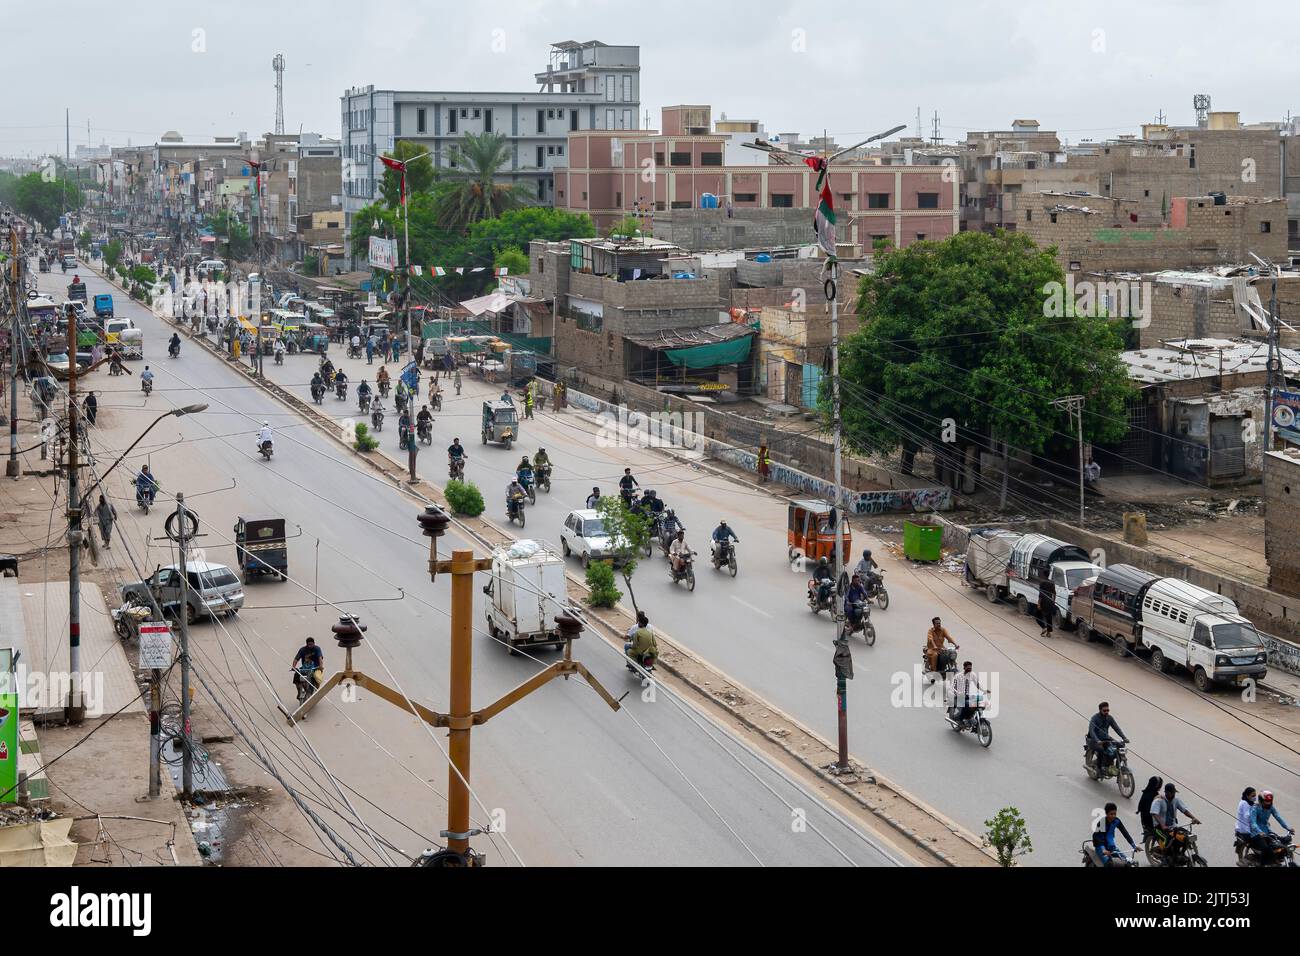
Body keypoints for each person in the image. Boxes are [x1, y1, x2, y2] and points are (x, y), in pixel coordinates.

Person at [1087, 701, 1128, 779]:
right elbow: (1091, 731)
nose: (1106, 712)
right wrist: (1097, 740)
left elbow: (1116, 728)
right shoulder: (1094, 718)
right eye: (1104, 710)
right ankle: (1099, 768)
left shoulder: (1109, 718)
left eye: (1108, 710)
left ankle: (1115, 767)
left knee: (1120, 746)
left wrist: (1124, 737)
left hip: (1106, 739)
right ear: (1100, 710)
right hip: (1094, 740)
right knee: (1101, 750)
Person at [1251, 790, 1294, 860]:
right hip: (1256, 833)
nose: (1268, 803)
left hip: (1267, 831)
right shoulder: (1255, 808)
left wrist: (1288, 827)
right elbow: (1253, 823)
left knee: (1280, 845)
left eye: (1269, 801)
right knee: (1267, 849)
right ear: (1261, 801)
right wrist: (1259, 831)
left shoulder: (1271, 808)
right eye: (1266, 801)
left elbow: (1278, 817)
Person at [1092, 802, 1138, 867]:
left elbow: (1125, 833)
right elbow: (1098, 837)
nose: (1113, 816)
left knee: (1128, 862)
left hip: (1112, 848)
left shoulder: (1117, 821)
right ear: (1106, 814)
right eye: (1111, 814)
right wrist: (1103, 849)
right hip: (1101, 848)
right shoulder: (1102, 823)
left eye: (1115, 814)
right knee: (1109, 864)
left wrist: (1134, 845)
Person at [1137, 776, 1164, 846]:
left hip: (1147, 819)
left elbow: (1141, 804)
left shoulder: (1147, 792)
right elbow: (1151, 811)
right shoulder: (1152, 795)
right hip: (1150, 820)